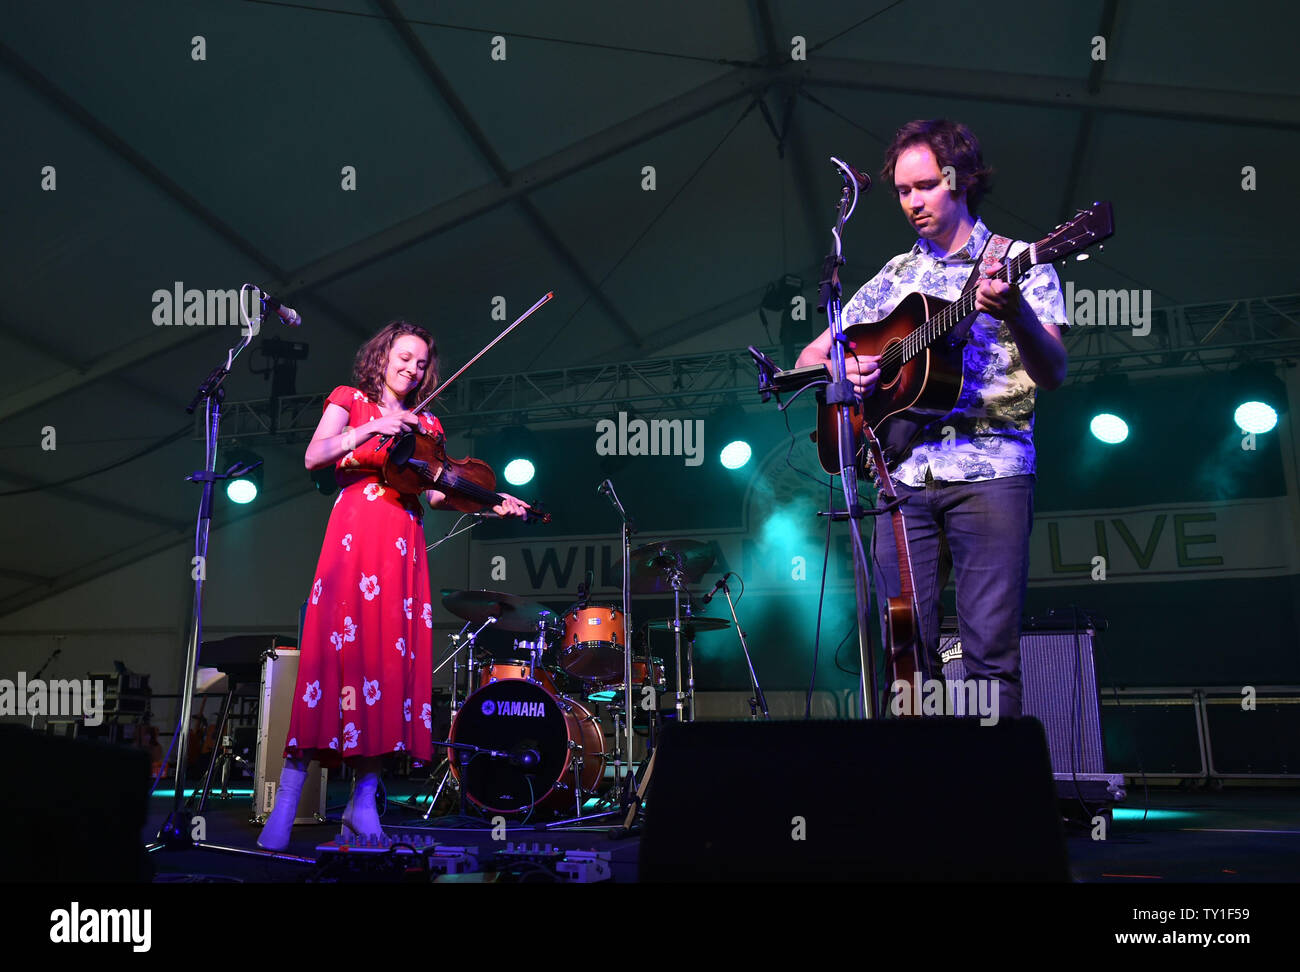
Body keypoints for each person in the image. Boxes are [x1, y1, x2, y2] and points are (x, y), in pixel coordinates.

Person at [796, 119, 1069, 720]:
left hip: (991, 471)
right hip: (903, 482)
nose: (912, 202)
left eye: (924, 187)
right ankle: (913, 794)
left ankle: (990, 799)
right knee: (901, 650)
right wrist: (851, 371)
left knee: (989, 653)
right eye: (901, 191)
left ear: (962, 180)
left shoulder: (1020, 261)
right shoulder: (895, 275)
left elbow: (1052, 372)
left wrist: (1017, 313)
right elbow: (811, 356)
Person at [257, 321, 529, 850]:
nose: (413, 367)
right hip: (352, 540)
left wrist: (488, 500)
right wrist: (375, 426)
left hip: (401, 547)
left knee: (385, 665)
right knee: (330, 662)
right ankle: (287, 800)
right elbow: (316, 455)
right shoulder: (350, 400)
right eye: (404, 356)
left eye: (422, 361)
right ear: (381, 357)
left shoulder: (427, 425)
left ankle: (363, 804)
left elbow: (436, 494)